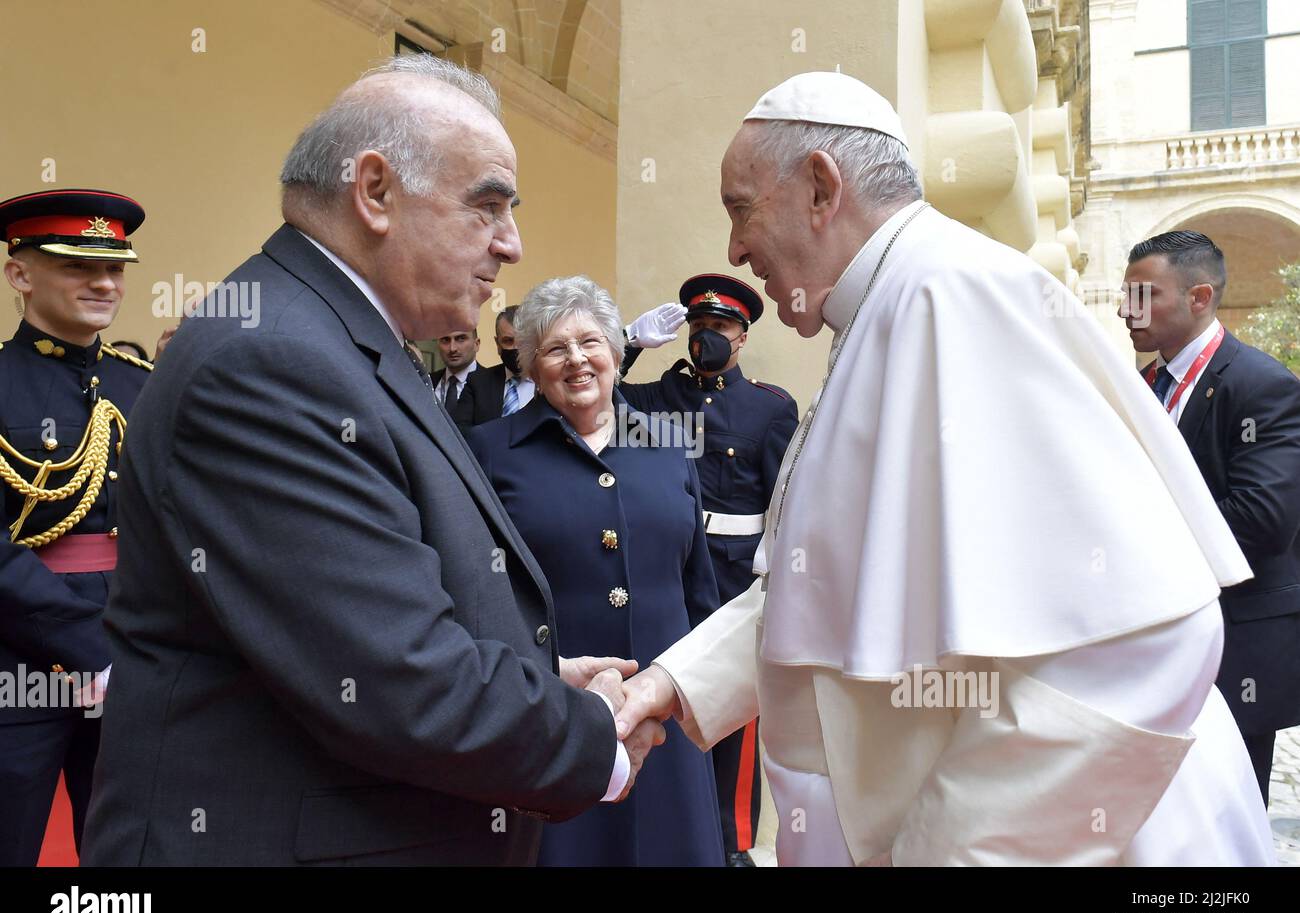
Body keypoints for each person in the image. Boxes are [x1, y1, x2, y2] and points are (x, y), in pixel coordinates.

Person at [615, 71, 1275, 866]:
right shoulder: (888, 307)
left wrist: (943, 852)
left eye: (740, 208)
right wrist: (671, 683)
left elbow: (1147, 638)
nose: (735, 248)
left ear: (821, 187)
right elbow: (820, 586)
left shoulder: (954, 295)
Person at [81, 54, 665, 867]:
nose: (511, 244)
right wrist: (591, 738)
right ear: (376, 192)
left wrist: (534, 675)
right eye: (487, 205)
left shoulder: (335, 341)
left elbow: (369, 610)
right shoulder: (272, 363)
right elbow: (394, 681)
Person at [466, 276, 724, 866]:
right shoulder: (488, 451)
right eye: (556, 349)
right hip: (553, 717)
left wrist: (701, 695)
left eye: (591, 343)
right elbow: (479, 591)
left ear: (615, 350)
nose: (577, 360)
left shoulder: (667, 443)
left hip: (666, 719)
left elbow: (699, 590)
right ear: (531, 364)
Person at [620, 273, 797, 865]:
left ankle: (733, 846)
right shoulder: (657, 398)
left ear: (741, 338)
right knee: (665, 704)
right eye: (697, 328)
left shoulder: (769, 409)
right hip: (667, 575)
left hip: (729, 580)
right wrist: (627, 345)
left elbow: (785, 504)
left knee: (729, 718)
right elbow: (591, 400)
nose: (705, 338)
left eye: (718, 328)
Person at [0, 188, 152, 865]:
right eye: (76, 266)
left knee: (125, 853)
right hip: (17, 657)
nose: (103, 283)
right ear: (19, 274)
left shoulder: (146, 385)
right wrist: (88, 646)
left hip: (136, 652)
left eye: (115, 268)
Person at [1122, 230, 1300, 805]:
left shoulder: (1264, 386)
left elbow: (1262, 519)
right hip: (1153, 647)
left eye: (1144, 296)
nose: (1128, 311)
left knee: (1230, 813)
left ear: (1199, 298)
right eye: (1125, 296)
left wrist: (1131, 534)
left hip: (1237, 651)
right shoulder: (1141, 385)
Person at [458, 305, 536, 424]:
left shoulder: (551, 383)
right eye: (508, 341)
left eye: (522, 341)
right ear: (498, 344)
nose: (516, 348)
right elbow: (461, 433)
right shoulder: (477, 383)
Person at [434, 326, 479, 420]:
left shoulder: (493, 384)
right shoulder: (427, 382)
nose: (452, 348)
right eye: (445, 340)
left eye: (461, 339)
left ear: (476, 344)